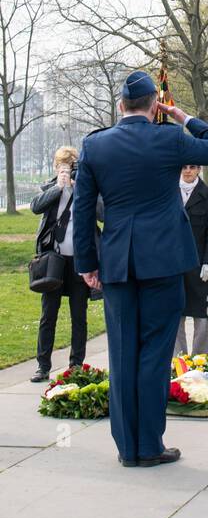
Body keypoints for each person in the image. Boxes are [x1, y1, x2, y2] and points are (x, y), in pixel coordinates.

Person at [73, 70, 208, 468]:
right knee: (155, 354)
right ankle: (149, 444)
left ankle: (127, 448)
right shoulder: (169, 137)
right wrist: (182, 117)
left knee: (123, 352)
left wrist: (86, 264)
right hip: (162, 263)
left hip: (118, 264)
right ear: (153, 107)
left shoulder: (95, 145)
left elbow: (81, 209)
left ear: (119, 107)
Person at [29, 145, 102, 383]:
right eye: (62, 167)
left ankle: (76, 365)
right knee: (48, 315)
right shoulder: (52, 187)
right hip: (54, 261)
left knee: (78, 315)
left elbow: (102, 213)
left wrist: (80, 185)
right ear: (55, 168)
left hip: (80, 261)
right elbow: (35, 207)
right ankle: (43, 365)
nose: (67, 172)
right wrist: (59, 187)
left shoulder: (86, 188)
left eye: (71, 167)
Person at [174, 162, 208, 357]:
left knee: (202, 317)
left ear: (199, 169)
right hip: (174, 266)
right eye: (184, 167)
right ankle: (179, 362)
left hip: (200, 266)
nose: (187, 171)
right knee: (175, 316)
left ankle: (201, 360)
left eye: (192, 167)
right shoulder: (169, 192)